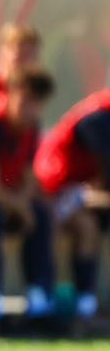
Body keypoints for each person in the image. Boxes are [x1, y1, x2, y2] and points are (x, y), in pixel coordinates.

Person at [0, 61, 58, 323]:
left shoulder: (31, 128)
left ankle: (39, 296)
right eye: (26, 100)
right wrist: (20, 206)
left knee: (41, 213)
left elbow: (28, 175)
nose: (31, 109)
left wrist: (25, 204)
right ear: (9, 93)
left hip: (9, 200)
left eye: (37, 102)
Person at [32, 85, 110, 322]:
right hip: (56, 187)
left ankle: (85, 303)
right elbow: (105, 168)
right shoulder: (97, 116)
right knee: (49, 226)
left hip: (79, 191)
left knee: (87, 228)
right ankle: (43, 300)